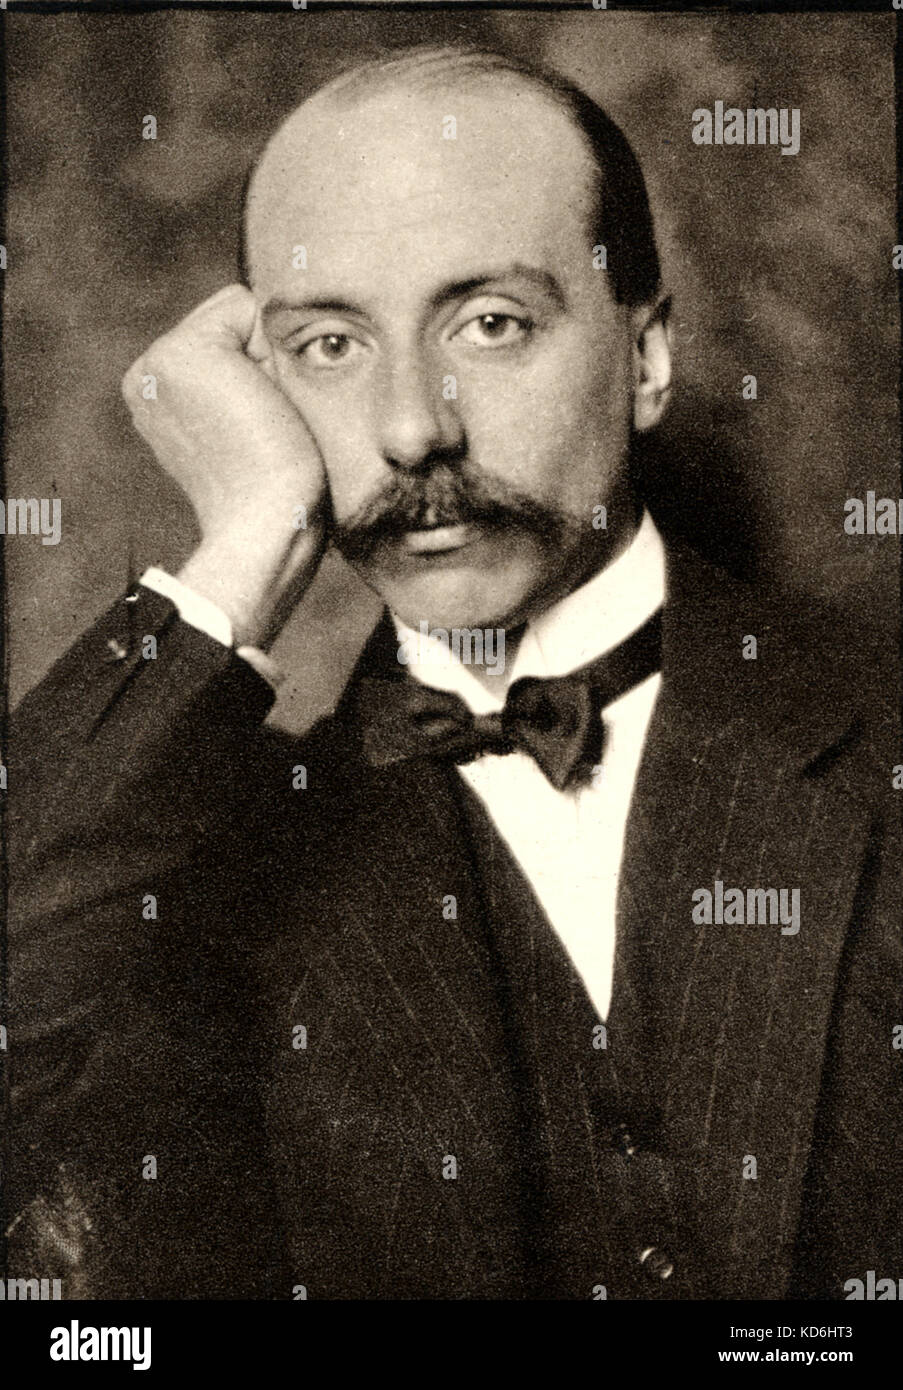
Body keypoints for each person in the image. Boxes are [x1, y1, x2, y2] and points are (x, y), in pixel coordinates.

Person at [8, 44, 901, 1301]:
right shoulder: (208, 854)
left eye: (490, 324)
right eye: (328, 345)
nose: (414, 425)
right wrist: (245, 547)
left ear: (645, 360)